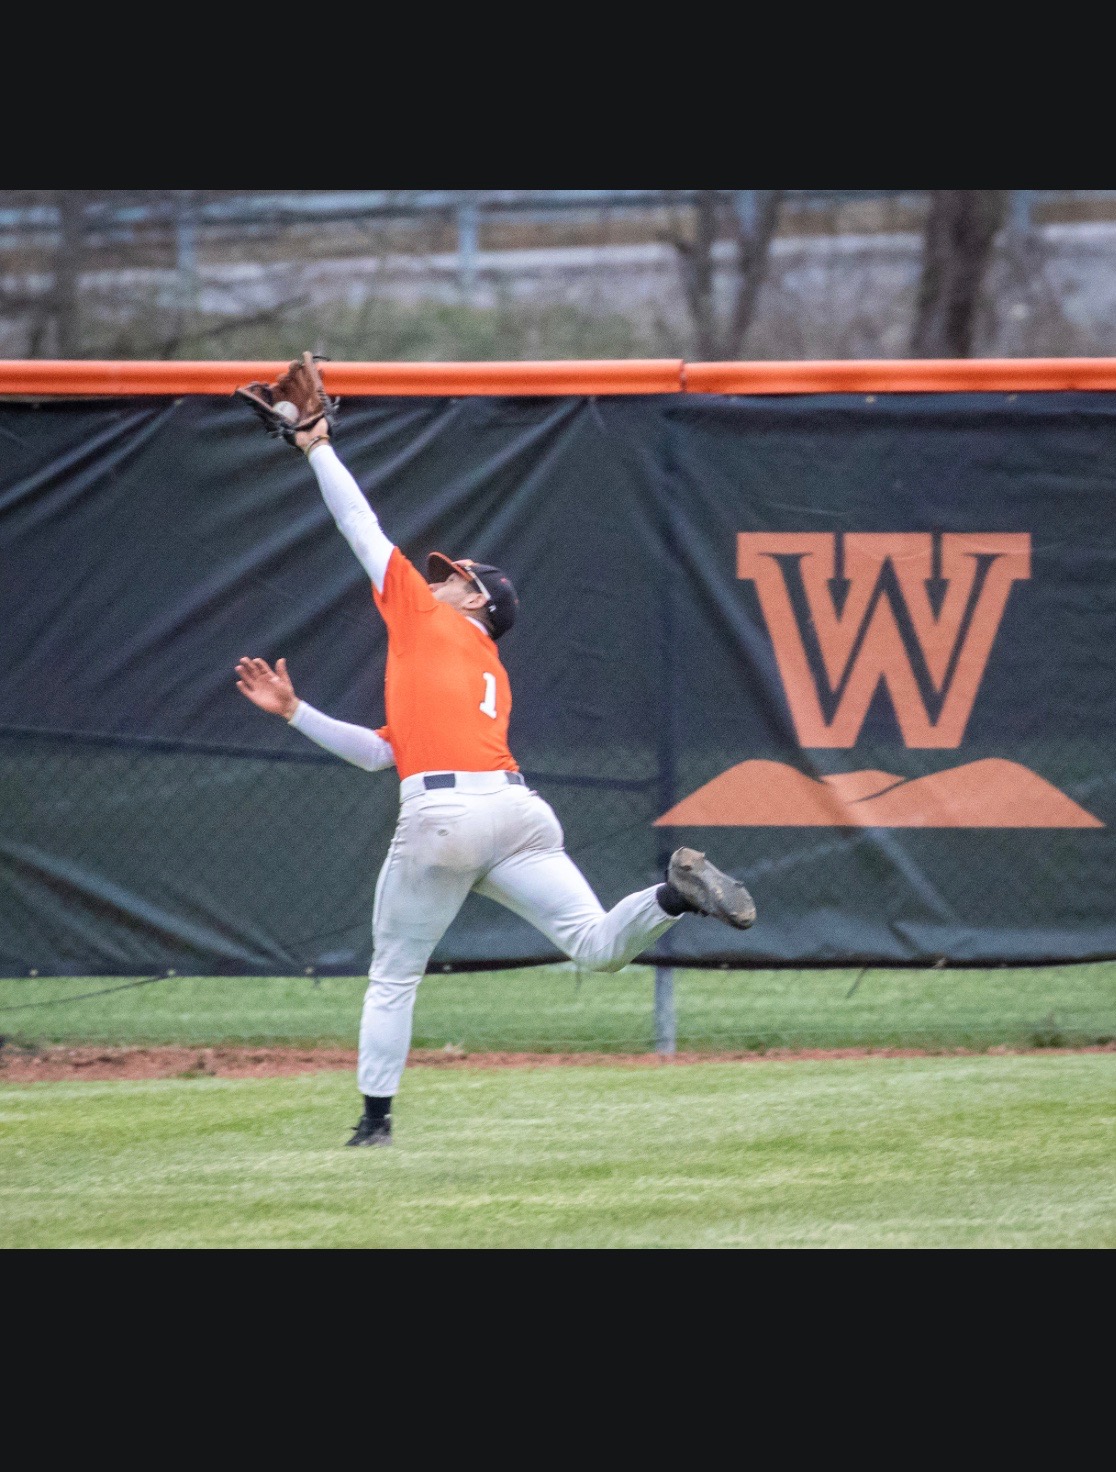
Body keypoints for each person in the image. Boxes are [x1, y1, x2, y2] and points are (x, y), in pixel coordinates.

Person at [235, 416, 756, 1147]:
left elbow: (359, 523)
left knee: (394, 975)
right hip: (517, 811)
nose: (439, 579)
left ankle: (375, 1125)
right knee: (598, 946)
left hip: (446, 815)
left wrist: (315, 444)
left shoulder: (425, 621)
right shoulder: (489, 673)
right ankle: (674, 893)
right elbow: (382, 754)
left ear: (480, 600)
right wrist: (295, 712)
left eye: (454, 577)